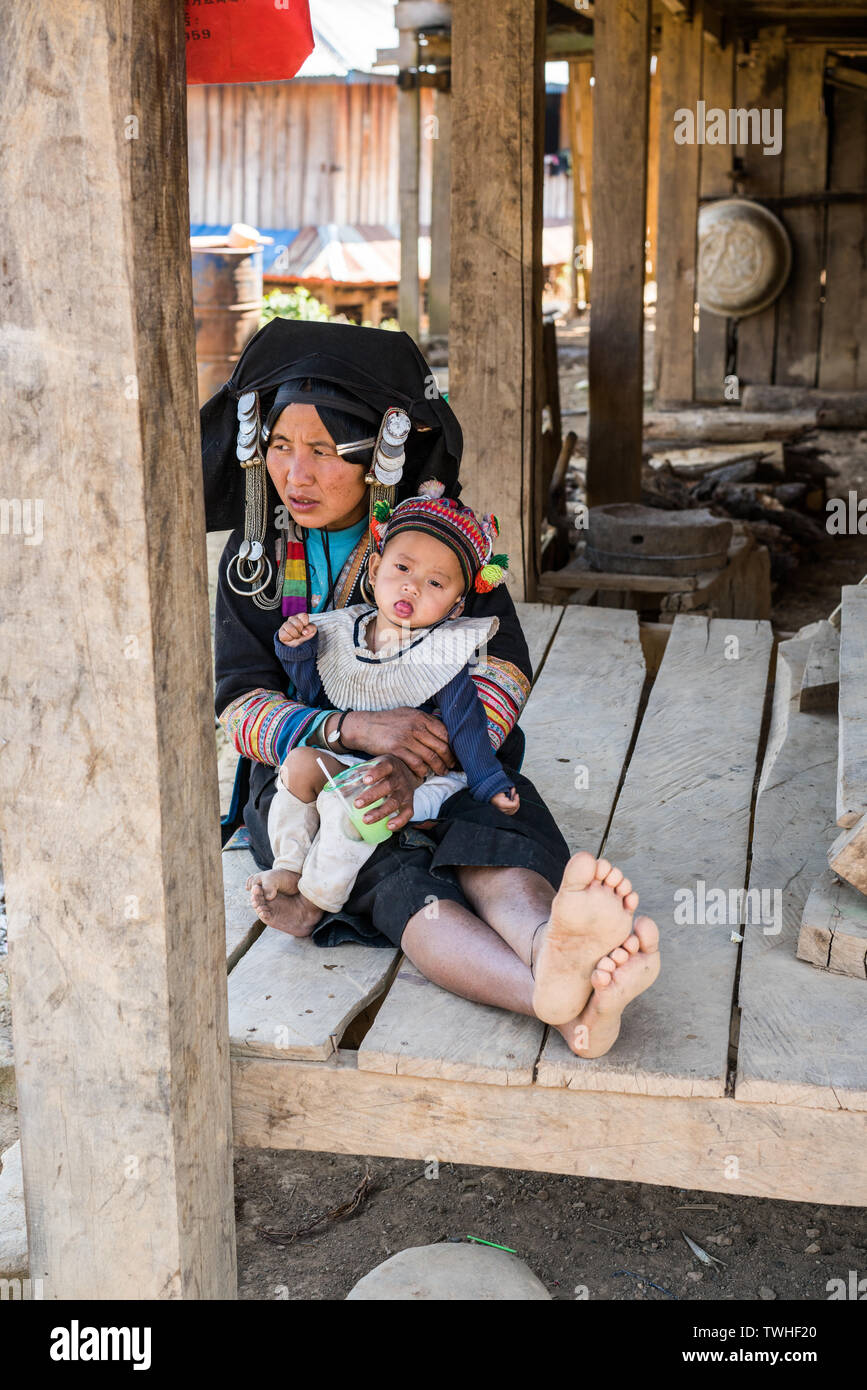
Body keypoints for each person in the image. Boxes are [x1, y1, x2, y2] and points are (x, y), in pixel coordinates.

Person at [202, 318, 660, 1059]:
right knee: (385, 868)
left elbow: (502, 669)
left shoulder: (440, 549)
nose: (296, 475)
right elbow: (240, 708)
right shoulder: (255, 564)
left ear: (382, 454)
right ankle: (554, 997)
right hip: (309, 787)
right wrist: (349, 731)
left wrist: (420, 763)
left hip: (448, 765)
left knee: (491, 828)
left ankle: (551, 947)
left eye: (323, 451)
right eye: (280, 447)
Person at [248, 491, 521, 925]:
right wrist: (298, 654)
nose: (412, 585)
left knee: (350, 801)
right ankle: (290, 866)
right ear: (375, 570)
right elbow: (316, 699)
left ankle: (313, 904)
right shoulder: (343, 630)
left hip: (419, 782)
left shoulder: (442, 652)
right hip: (349, 761)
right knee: (298, 764)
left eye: (435, 582)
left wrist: (491, 785)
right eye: (402, 568)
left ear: (456, 606)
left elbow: (469, 730)